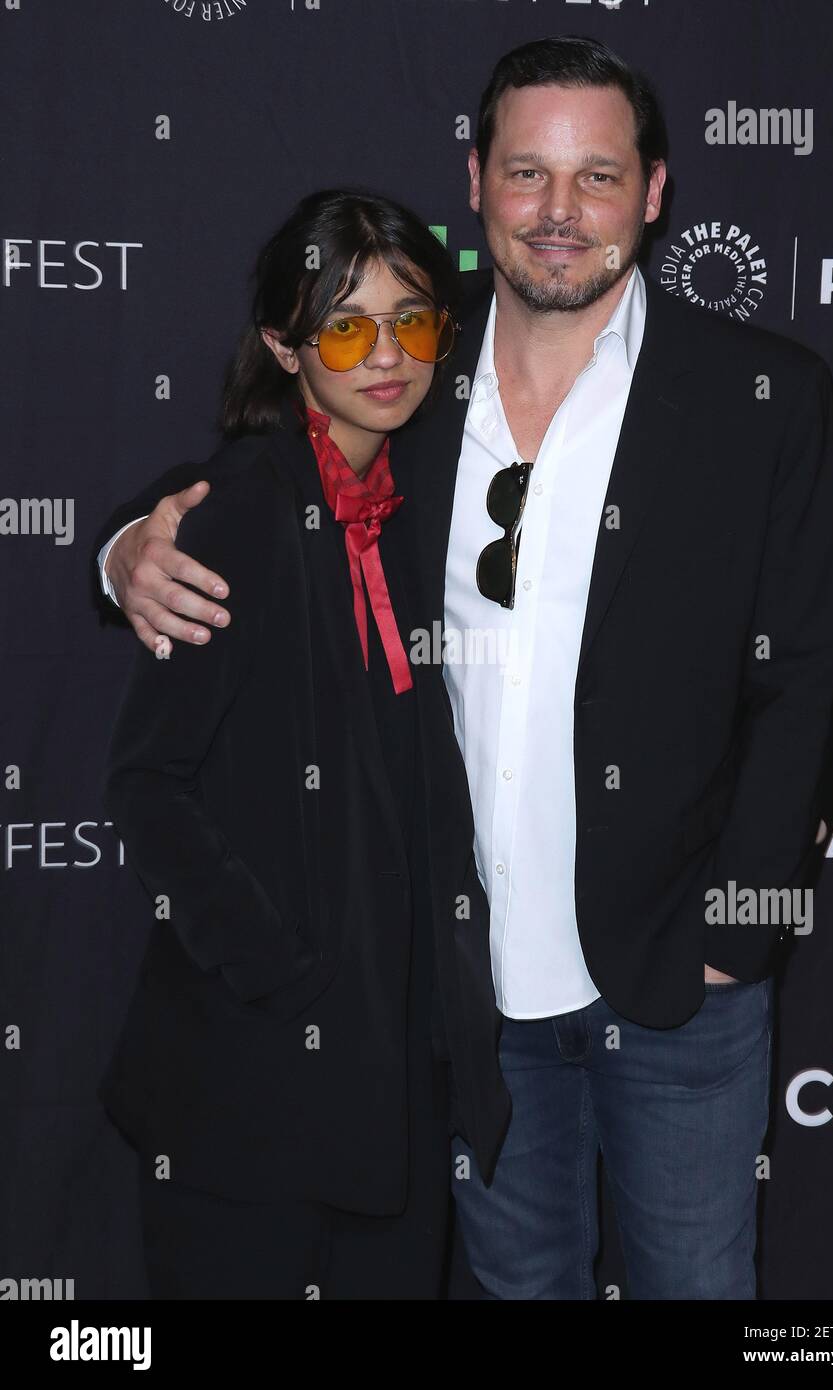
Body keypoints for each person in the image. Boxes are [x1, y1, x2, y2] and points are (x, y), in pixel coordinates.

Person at [97, 37, 833, 1299]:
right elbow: (238, 478)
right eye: (526, 175)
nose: (559, 214)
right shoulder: (407, 375)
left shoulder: (763, 395)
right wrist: (122, 550)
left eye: (596, 176)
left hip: (678, 987)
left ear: (653, 192)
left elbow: (807, 678)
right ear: (477, 181)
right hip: (462, 999)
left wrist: (734, 934)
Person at [95, 188, 510, 1300]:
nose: (386, 354)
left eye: (411, 321)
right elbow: (147, 782)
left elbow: (543, 275)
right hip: (250, 1083)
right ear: (284, 345)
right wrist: (273, 972)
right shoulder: (239, 513)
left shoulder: (418, 489)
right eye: (343, 326)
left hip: (399, 1077)